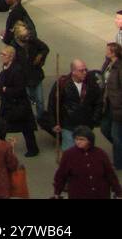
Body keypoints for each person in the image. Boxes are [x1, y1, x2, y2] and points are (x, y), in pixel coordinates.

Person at [43, 59, 103, 151]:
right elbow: (52, 104)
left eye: (85, 69)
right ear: (73, 71)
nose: (85, 72)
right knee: (70, 153)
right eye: (81, 70)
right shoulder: (62, 83)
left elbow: (98, 102)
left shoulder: (91, 83)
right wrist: (53, 123)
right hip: (68, 125)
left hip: (86, 125)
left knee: (87, 153)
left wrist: (94, 119)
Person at [0, 44, 39, 157]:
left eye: (4, 54)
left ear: (11, 57)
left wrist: (5, 89)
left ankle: (33, 149)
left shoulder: (17, 70)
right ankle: (0, 148)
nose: (2, 56)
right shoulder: (6, 66)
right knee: (2, 126)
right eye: (1, 54)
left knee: (26, 128)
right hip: (8, 104)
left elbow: (20, 89)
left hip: (19, 105)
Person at [52, 127, 122, 199]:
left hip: (100, 194)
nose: (78, 142)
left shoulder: (100, 153)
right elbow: (61, 175)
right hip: (78, 194)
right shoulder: (68, 155)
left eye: (82, 139)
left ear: (90, 140)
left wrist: (118, 192)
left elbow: (110, 174)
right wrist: (57, 192)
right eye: (76, 139)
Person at [12, 22, 49, 120]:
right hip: (23, 78)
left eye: (28, 35)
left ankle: (41, 119)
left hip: (36, 75)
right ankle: (28, 118)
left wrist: (40, 56)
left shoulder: (32, 40)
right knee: (27, 100)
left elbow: (45, 48)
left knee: (40, 100)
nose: (28, 38)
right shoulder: (14, 47)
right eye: (25, 36)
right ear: (18, 36)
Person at [102, 42, 122, 171]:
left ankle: (118, 163)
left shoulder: (120, 67)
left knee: (115, 135)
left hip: (118, 107)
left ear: (113, 52)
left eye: (107, 49)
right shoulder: (108, 63)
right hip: (108, 104)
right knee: (105, 129)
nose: (105, 51)